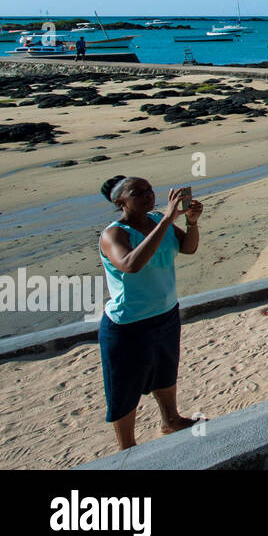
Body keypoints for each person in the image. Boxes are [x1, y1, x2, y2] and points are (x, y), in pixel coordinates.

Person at [98, 175, 204, 449]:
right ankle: (127, 448)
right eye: (138, 192)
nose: (148, 195)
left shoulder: (158, 220)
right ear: (121, 202)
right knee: (124, 387)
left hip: (166, 313)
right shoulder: (114, 234)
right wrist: (168, 220)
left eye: (149, 189)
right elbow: (131, 264)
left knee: (165, 372)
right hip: (128, 323)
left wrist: (191, 222)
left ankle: (171, 420)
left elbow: (188, 248)